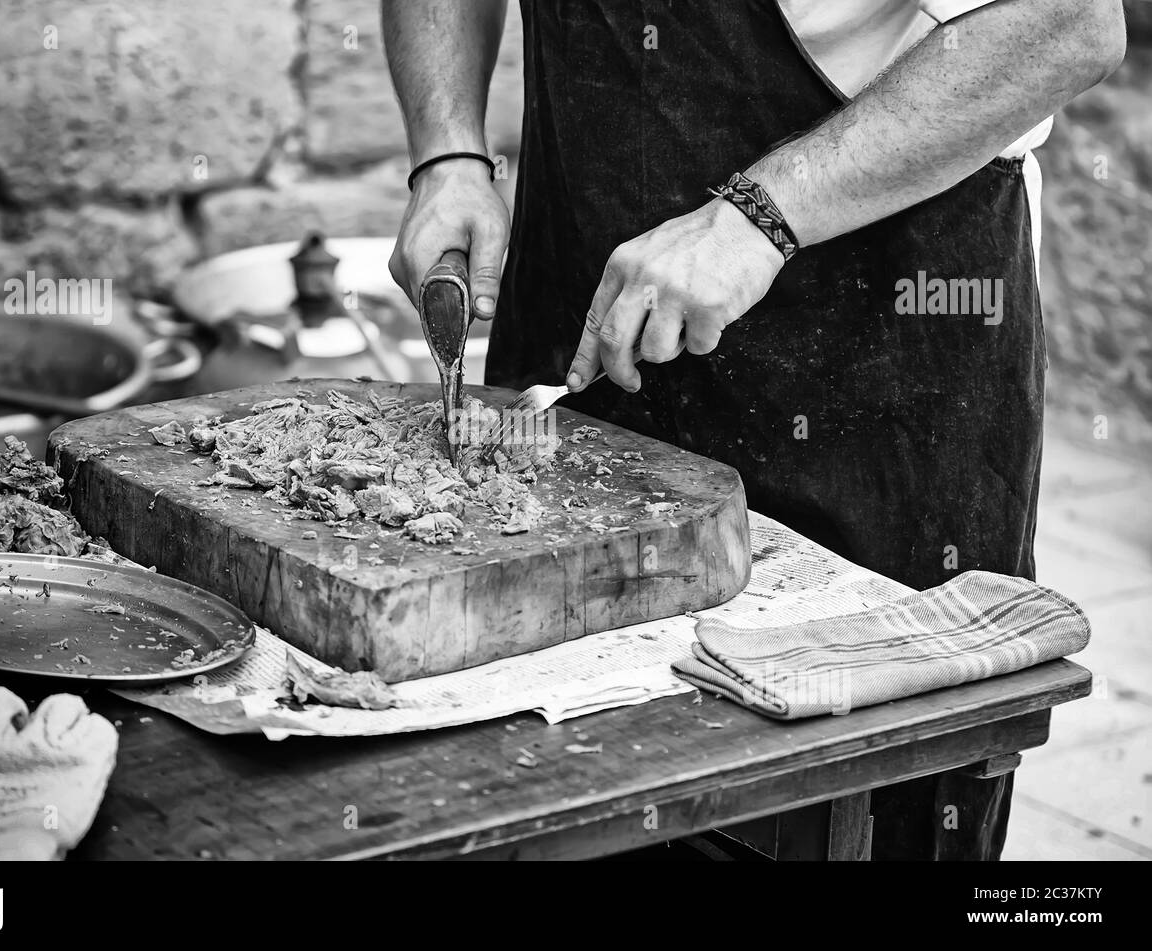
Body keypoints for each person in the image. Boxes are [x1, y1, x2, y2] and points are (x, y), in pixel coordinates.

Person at [382, 0, 1126, 859]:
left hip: (872, 364)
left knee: (837, 802)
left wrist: (759, 216)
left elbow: (1069, 24)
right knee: (542, 792)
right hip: (581, 319)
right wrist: (447, 154)